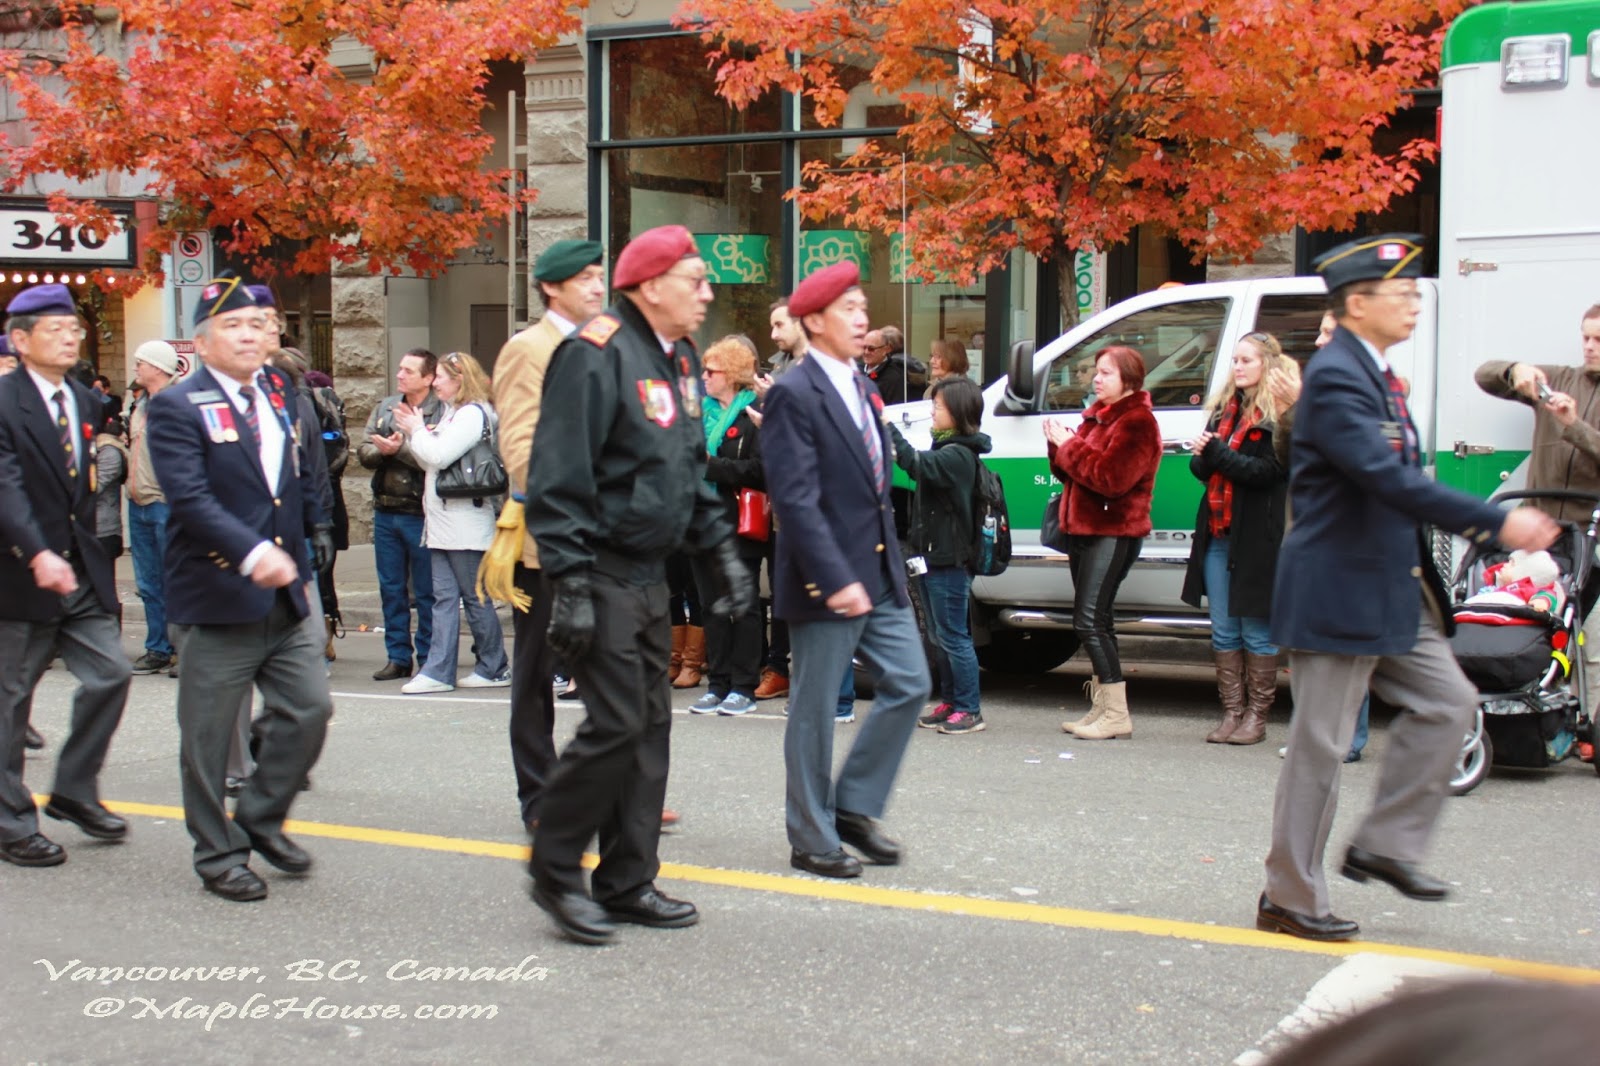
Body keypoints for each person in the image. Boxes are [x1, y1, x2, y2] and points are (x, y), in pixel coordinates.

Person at [1259, 234, 1559, 943]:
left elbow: (1396, 484)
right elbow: (1384, 478)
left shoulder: (1377, 373)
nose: (1414, 304)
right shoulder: (1337, 378)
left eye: (1414, 292)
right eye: (1400, 293)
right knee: (1322, 748)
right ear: (1357, 304)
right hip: (1338, 591)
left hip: (1394, 588)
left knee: (1451, 703)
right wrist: (1498, 522)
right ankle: (1289, 895)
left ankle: (1385, 845)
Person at [523, 224, 752, 945]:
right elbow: (557, 478)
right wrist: (571, 586)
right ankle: (555, 870)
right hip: (598, 569)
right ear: (651, 286)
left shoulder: (677, 357)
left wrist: (722, 552)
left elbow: (685, 469)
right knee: (617, 723)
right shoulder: (593, 355)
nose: (707, 293)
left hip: (650, 573)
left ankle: (627, 882)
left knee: (649, 729)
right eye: (695, 279)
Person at [147, 272, 335, 902]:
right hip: (218, 593)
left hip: (286, 590)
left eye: (259, 323)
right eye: (233, 325)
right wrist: (252, 552)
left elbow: (297, 472)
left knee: (309, 708)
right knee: (208, 737)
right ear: (201, 343)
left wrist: (317, 525)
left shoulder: (278, 390)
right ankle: (218, 854)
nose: (250, 334)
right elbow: (190, 499)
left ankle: (259, 815)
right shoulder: (177, 406)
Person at [763, 261, 932, 880]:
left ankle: (854, 806)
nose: (862, 320)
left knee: (911, 682)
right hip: (825, 578)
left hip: (879, 571)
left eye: (863, 307)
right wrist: (835, 579)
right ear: (813, 322)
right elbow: (795, 499)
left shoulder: (862, 385)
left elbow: (874, 484)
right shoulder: (793, 393)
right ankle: (811, 836)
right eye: (848, 309)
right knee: (814, 711)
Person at [0, 283, 133, 868]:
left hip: (78, 569)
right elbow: (5, 487)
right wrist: (36, 552)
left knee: (111, 674)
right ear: (20, 340)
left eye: (73, 327)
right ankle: (10, 822)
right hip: (19, 572)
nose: (69, 337)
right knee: (10, 702)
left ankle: (75, 790)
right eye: (54, 329)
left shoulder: (82, 399)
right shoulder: (4, 401)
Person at [480, 238, 606, 835]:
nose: (598, 286)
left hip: (605, 538)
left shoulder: (602, 342)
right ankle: (539, 794)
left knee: (613, 672)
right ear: (552, 288)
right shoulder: (528, 349)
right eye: (585, 278)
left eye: (601, 275)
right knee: (535, 675)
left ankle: (616, 785)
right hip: (548, 540)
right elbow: (523, 451)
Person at [1473, 303, 1600, 720]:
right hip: (1541, 533)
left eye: (1598, 339)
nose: (1589, 346)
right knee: (1530, 624)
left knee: (1589, 642)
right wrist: (1515, 371)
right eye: (1585, 337)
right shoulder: (1560, 378)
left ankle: (1588, 722)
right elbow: (1484, 375)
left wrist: (1573, 426)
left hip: (1590, 536)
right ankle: (1530, 717)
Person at [1182, 332, 1295, 746]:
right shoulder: (1223, 410)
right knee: (1224, 630)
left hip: (1257, 536)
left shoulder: (1276, 415)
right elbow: (1204, 470)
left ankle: (1256, 718)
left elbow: (1267, 473)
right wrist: (1203, 455)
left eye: (1247, 360)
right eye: (1235, 360)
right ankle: (1231, 713)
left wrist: (1217, 456)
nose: (1238, 367)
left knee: (1256, 631)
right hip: (1217, 531)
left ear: (1268, 364)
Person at [1046, 345, 1162, 740]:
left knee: (1089, 620)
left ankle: (1116, 714)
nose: (1096, 379)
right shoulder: (1097, 417)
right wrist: (1057, 446)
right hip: (1084, 531)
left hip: (1114, 532)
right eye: (1096, 371)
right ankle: (1102, 707)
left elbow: (1111, 479)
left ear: (1128, 379)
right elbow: (1072, 474)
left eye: (1106, 373)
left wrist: (1069, 446)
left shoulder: (1137, 421)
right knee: (1099, 620)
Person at [393, 351, 510, 693]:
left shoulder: (471, 414)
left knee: (474, 597)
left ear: (459, 380)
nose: (435, 383)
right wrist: (416, 434)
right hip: (445, 521)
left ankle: (493, 666)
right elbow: (430, 460)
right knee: (445, 598)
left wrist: (417, 430)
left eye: (441, 377)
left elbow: (439, 455)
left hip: (465, 521)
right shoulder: (453, 412)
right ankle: (440, 670)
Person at [890, 377, 991, 734]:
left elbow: (916, 465)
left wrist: (889, 428)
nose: (932, 411)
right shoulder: (946, 447)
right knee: (937, 635)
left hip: (949, 560)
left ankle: (969, 709)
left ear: (959, 412)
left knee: (953, 636)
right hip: (931, 557)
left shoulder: (958, 454)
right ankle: (950, 701)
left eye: (939, 406)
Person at [690, 336, 767, 716]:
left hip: (739, 523)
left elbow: (761, 470)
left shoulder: (754, 413)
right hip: (700, 521)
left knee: (744, 606)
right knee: (711, 607)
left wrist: (711, 466)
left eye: (711, 371)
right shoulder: (697, 414)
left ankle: (744, 687)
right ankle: (717, 684)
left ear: (733, 375)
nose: (704, 376)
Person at [358, 348, 441, 681]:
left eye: (408, 371)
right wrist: (382, 450)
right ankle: (397, 657)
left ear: (428, 378)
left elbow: (437, 458)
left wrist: (401, 449)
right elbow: (363, 450)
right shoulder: (386, 407)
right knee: (391, 589)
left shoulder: (440, 410)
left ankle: (429, 657)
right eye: (400, 369)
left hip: (420, 513)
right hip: (386, 510)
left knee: (426, 591)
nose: (400, 375)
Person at [126, 340, 183, 674]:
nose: (136, 368)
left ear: (158, 367)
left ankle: (182, 646)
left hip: (166, 504)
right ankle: (158, 647)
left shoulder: (177, 403)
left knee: (175, 578)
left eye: (141, 362)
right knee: (148, 583)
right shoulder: (140, 404)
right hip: (138, 502)